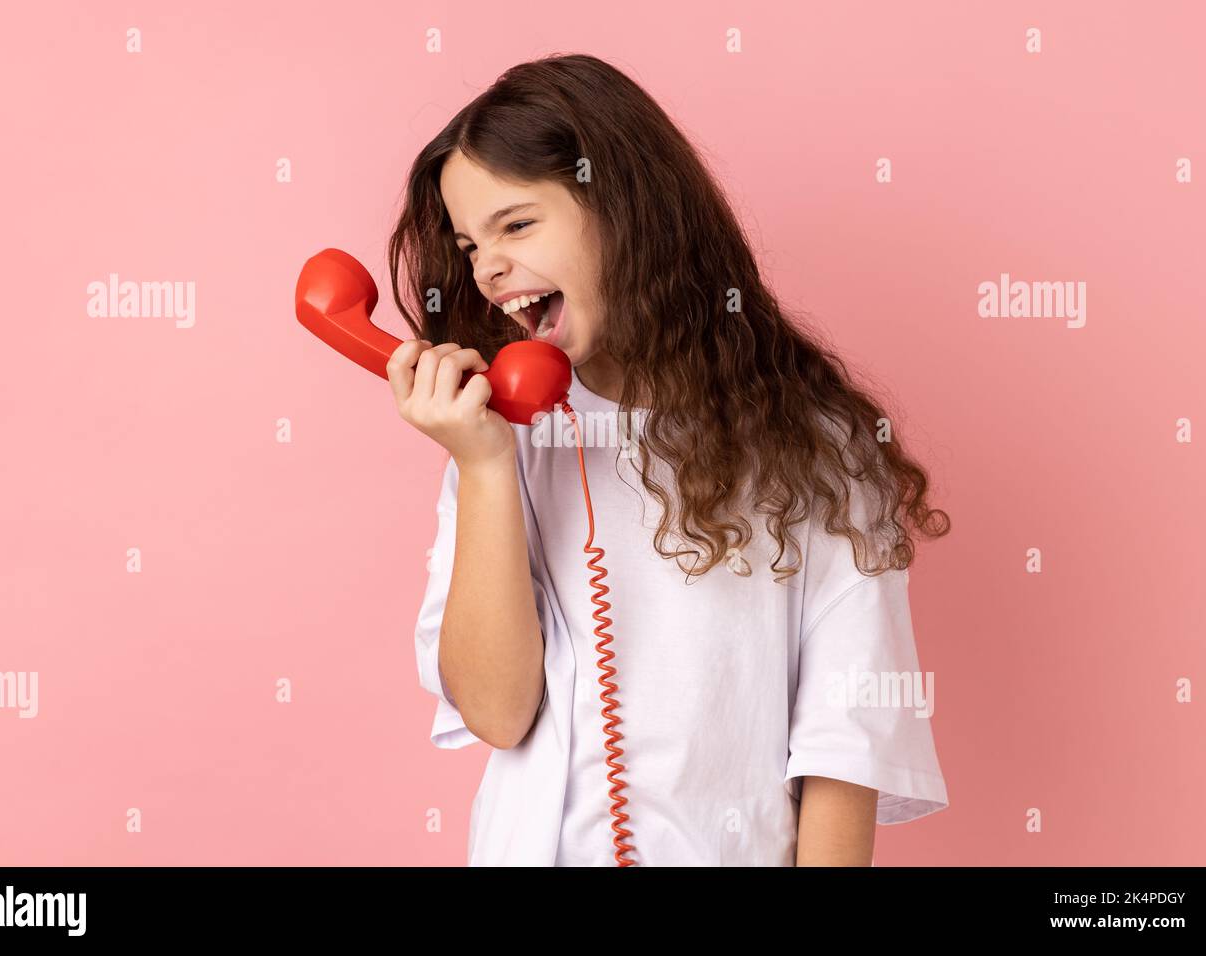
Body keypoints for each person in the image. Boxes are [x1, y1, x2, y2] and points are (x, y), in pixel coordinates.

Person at [386, 53, 951, 866]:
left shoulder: (817, 447)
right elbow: (498, 711)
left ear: (627, 212)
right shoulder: (501, 440)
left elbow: (845, 739)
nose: (488, 267)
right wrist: (482, 467)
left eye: (517, 225)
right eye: (472, 243)